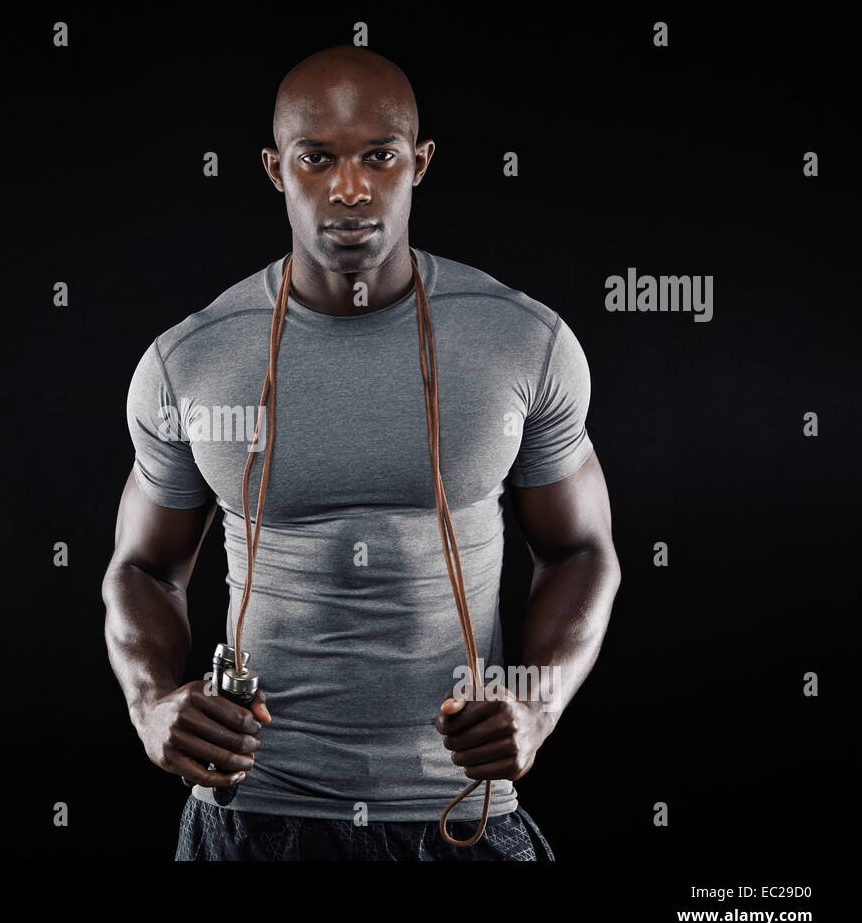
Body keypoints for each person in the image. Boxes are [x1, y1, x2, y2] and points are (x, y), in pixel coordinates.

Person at [101, 44, 621, 861]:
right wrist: (151, 703)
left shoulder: (523, 343)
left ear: (420, 162)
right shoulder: (191, 360)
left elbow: (582, 550)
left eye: (380, 156)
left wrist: (539, 702)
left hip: (458, 814)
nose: (350, 190)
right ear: (277, 170)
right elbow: (141, 568)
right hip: (251, 817)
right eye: (317, 159)